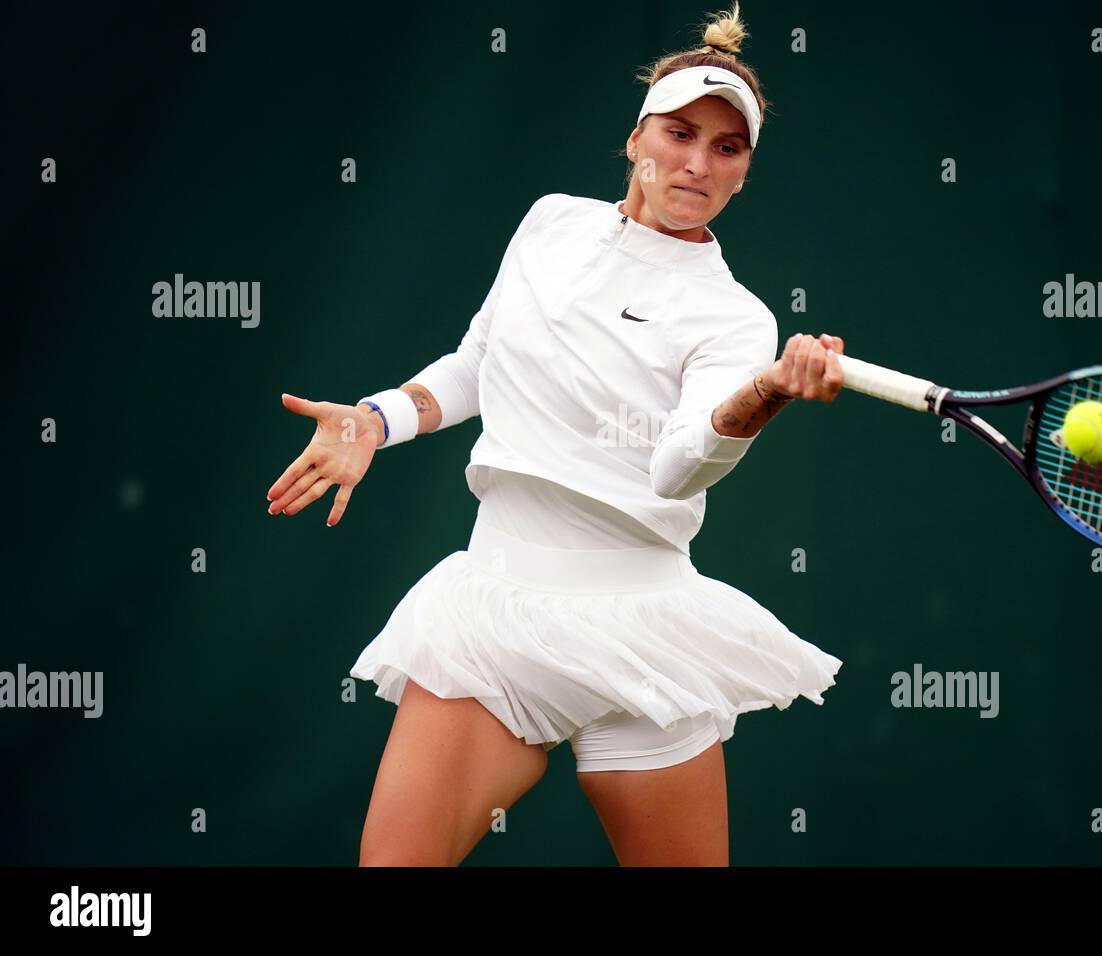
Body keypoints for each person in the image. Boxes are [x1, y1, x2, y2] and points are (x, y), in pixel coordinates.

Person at [265, 2, 846, 867]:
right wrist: (377, 418)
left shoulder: (735, 319)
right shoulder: (549, 225)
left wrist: (758, 397)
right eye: (680, 133)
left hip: (642, 632)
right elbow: (477, 364)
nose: (696, 163)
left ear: (744, 172)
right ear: (636, 137)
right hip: (495, 615)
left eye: (726, 149)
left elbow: (680, 468)